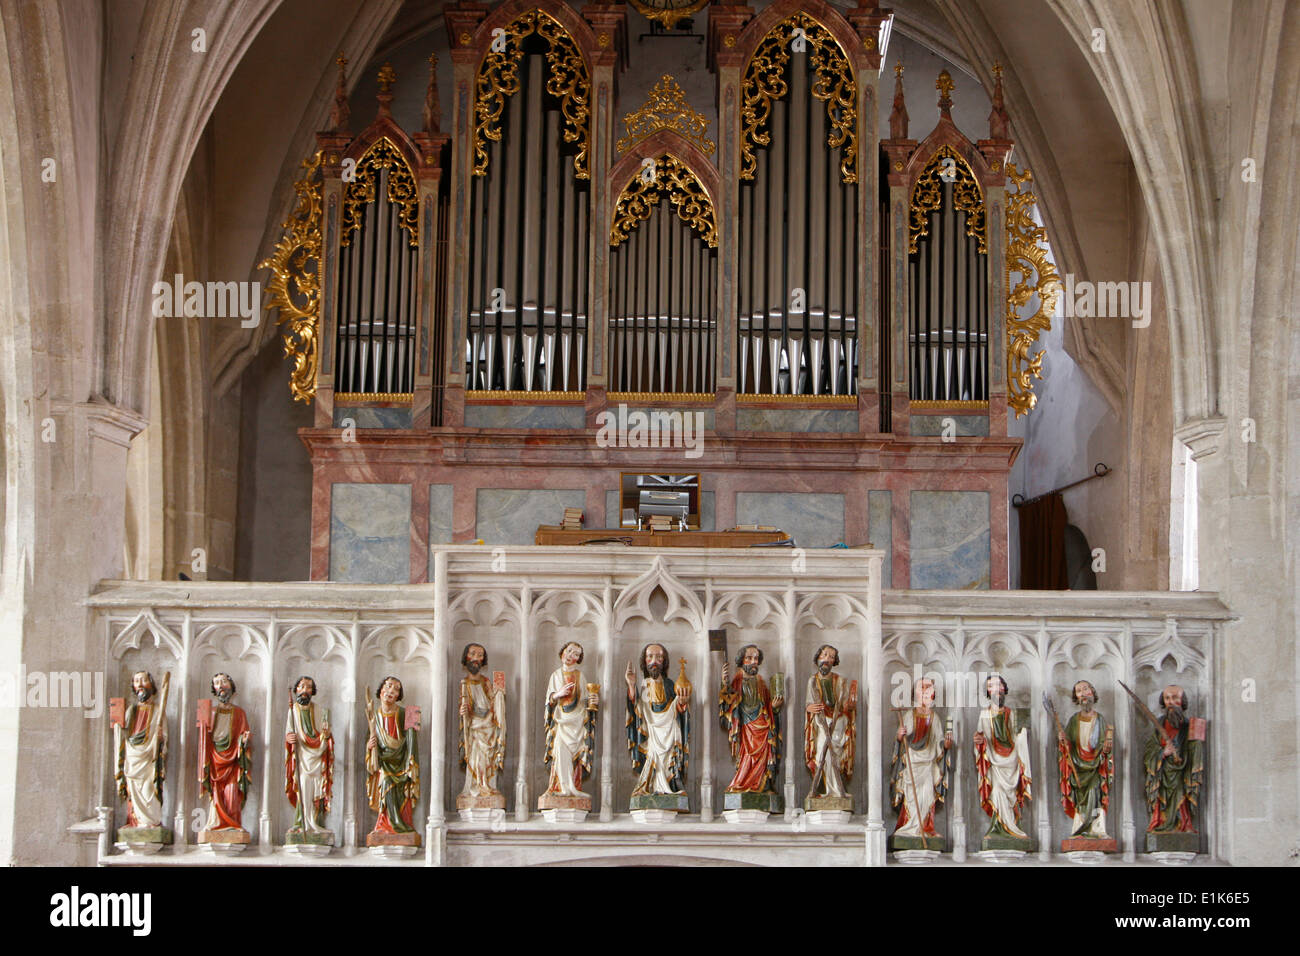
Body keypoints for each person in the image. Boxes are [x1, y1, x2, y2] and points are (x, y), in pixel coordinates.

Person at [625, 643, 690, 800]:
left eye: (659, 657)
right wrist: (632, 685)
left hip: (670, 730)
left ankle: (671, 786)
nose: (654, 661)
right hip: (652, 730)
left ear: (664, 661)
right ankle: (651, 786)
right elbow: (639, 708)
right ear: (645, 661)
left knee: (670, 760)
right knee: (653, 757)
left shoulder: (669, 684)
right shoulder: (644, 684)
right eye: (650, 656)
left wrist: (682, 703)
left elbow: (679, 708)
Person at [891, 677, 952, 841]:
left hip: (928, 763)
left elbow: (939, 740)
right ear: (916, 693)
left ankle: (925, 828)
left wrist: (945, 745)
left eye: (928, 688)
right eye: (922, 688)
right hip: (912, 762)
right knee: (912, 798)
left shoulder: (935, 718)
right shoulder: (909, 715)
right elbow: (903, 739)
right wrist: (900, 735)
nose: (925, 691)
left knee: (926, 797)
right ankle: (909, 827)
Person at [719, 644, 783, 796]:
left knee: (765, 758)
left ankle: (764, 785)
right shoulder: (736, 681)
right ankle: (742, 783)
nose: (753, 661)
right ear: (741, 661)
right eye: (749, 658)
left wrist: (774, 707)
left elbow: (768, 705)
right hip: (746, 727)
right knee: (747, 757)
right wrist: (724, 683)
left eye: (756, 658)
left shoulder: (761, 683)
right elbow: (728, 705)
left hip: (763, 726)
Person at [973, 674, 1031, 841]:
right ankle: (998, 828)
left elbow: (1018, 737)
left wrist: (1022, 734)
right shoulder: (984, 714)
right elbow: (980, 737)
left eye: (999, 685)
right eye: (991, 686)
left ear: (1004, 689)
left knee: (1012, 797)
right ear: (988, 692)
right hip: (994, 763)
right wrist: (978, 741)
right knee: (997, 792)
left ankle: (1014, 827)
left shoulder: (1014, 714)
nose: (996, 689)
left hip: (1012, 762)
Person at [197, 672, 252, 839]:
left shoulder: (239, 712)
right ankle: (215, 823)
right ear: (213, 688)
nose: (221, 686)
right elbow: (203, 738)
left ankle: (232, 824)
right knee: (215, 792)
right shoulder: (208, 710)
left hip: (233, 759)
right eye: (217, 683)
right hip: (214, 758)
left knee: (232, 793)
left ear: (231, 686)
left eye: (224, 682)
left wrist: (244, 740)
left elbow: (243, 734)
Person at [541, 642, 599, 801]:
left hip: (578, 722)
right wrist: (557, 694)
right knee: (560, 753)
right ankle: (561, 787)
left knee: (576, 757)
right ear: (562, 653)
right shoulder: (556, 675)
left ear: (579, 659)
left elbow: (586, 701)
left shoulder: (581, 676)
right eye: (569, 651)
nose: (571, 656)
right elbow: (549, 701)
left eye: (576, 654)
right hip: (561, 722)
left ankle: (574, 787)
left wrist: (593, 700)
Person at [1144, 684, 1203, 835]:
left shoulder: (1190, 725)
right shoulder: (1160, 724)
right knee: (1161, 802)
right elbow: (1150, 750)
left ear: (1182, 701)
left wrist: (1193, 747)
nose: (1171, 702)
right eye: (1167, 698)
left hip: (1181, 774)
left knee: (1180, 801)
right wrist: (1163, 753)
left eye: (1175, 698)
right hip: (1163, 773)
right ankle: (1160, 824)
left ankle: (1183, 825)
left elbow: (1195, 754)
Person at [366, 675, 420, 841]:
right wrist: (369, 747)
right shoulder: (373, 717)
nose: (391, 691)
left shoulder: (410, 713)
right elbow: (371, 748)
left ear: (399, 696)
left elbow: (412, 744)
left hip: (403, 762)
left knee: (402, 789)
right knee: (386, 781)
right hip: (384, 764)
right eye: (388, 686)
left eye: (396, 689)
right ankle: (385, 825)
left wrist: (410, 765)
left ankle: (402, 824)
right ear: (381, 690)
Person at [1057, 679, 1113, 839]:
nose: (1083, 694)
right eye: (1079, 691)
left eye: (1085, 689)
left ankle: (1097, 829)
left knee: (1096, 794)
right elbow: (1067, 745)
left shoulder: (1100, 719)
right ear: (1076, 697)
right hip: (1077, 766)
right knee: (1080, 799)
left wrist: (1106, 749)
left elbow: (1105, 743)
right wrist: (1062, 739)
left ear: (1092, 693)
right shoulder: (1074, 720)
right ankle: (1080, 828)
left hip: (1095, 766)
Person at [114, 670, 169, 833]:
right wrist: (117, 725)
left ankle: (151, 821)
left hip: (149, 758)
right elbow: (123, 735)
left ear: (151, 685)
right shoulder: (130, 710)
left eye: (143, 680)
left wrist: (161, 739)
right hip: (132, 757)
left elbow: (164, 736)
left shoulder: (159, 711)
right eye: (136, 681)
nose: (140, 685)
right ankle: (135, 821)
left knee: (149, 791)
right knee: (134, 791)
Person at [804, 644, 856, 802]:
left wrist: (850, 704)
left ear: (834, 661)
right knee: (822, 754)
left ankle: (838, 791)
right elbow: (808, 703)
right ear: (818, 658)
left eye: (831, 657)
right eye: (824, 655)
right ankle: (826, 790)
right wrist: (810, 707)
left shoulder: (840, 681)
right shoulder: (812, 681)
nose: (827, 659)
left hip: (838, 722)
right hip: (821, 723)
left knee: (836, 754)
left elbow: (846, 704)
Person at [284, 675, 334, 839]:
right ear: (296, 689)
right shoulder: (292, 711)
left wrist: (325, 736)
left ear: (313, 691)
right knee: (303, 788)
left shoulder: (319, 710)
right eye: (302, 686)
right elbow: (290, 732)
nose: (305, 690)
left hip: (317, 755)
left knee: (316, 789)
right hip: (301, 756)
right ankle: (301, 822)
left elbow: (324, 734)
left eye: (308, 687)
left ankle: (315, 822)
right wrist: (289, 738)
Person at [458, 644, 506, 803]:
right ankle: (477, 785)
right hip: (474, 728)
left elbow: (493, 700)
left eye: (480, 655)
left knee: (487, 759)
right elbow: (465, 709)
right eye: (473, 654)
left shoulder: (486, 681)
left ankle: (487, 784)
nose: (477, 658)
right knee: (476, 758)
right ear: (466, 657)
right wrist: (463, 711)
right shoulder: (464, 683)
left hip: (488, 726)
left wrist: (499, 695)